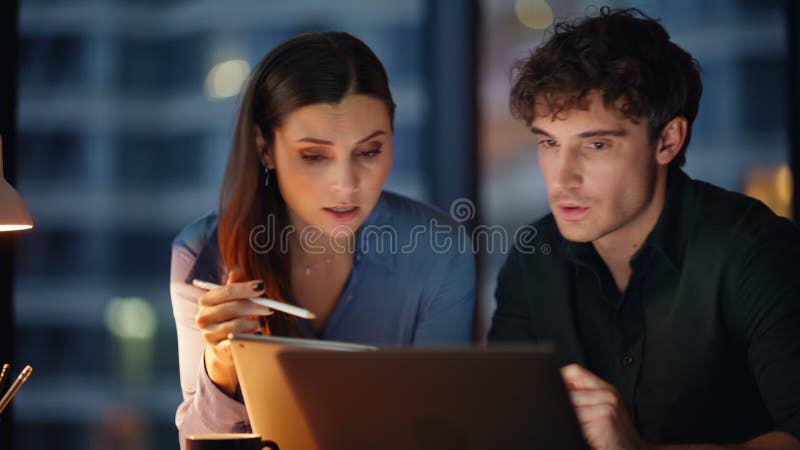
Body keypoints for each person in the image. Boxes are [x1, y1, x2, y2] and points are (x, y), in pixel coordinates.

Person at [489, 7, 800, 450]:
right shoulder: (533, 257)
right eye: (549, 143)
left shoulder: (755, 251)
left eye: (596, 145)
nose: (561, 179)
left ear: (668, 141)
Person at [170, 31, 475, 446]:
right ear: (264, 148)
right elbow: (198, 442)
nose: (345, 185)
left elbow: (443, 430)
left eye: (368, 152)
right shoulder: (204, 254)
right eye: (314, 156)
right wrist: (221, 370)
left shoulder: (440, 251)